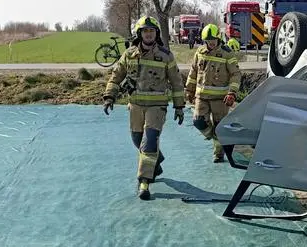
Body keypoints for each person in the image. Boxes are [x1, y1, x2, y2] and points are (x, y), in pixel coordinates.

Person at [102, 16, 186, 200]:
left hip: (157, 106)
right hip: (136, 106)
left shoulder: (166, 56)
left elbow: (176, 82)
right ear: (139, 34)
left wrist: (179, 106)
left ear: (156, 34)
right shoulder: (129, 54)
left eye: (152, 31)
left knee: (149, 142)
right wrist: (109, 96)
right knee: (137, 139)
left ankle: (144, 182)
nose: (149, 34)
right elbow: (116, 76)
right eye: (145, 31)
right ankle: (157, 161)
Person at [185, 23, 241, 163]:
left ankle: (218, 154)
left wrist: (232, 93)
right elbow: (193, 72)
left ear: (218, 39)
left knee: (219, 125)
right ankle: (216, 139)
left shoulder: (227, 54)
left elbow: (236, 74)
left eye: (213, 41)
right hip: (201, 96)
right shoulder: (200, 52)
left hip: (220, 99)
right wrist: (189, 90)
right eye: (208, 41)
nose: (211, 44)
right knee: (198, 121)